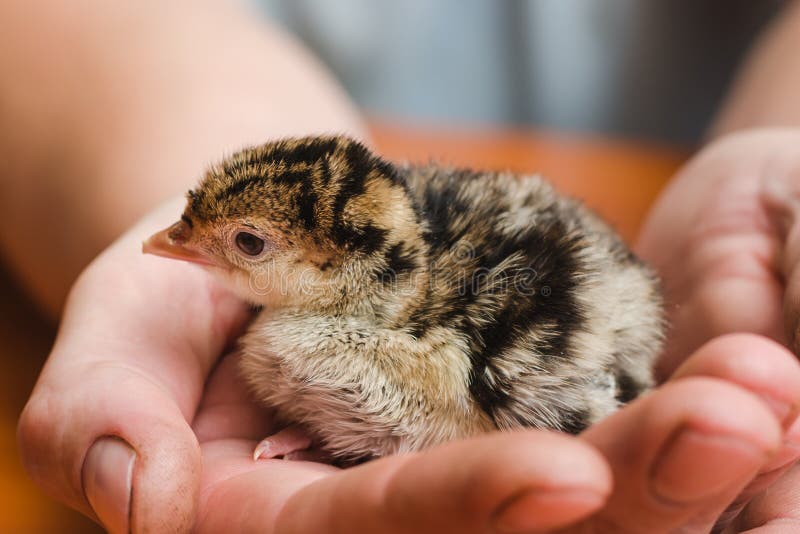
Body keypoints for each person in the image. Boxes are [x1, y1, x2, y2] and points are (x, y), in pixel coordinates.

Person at [6, 0, 800, 532]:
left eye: (245, 243)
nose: (177, 245)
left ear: (337, 270)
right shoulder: (333, 292)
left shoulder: (459, 347)